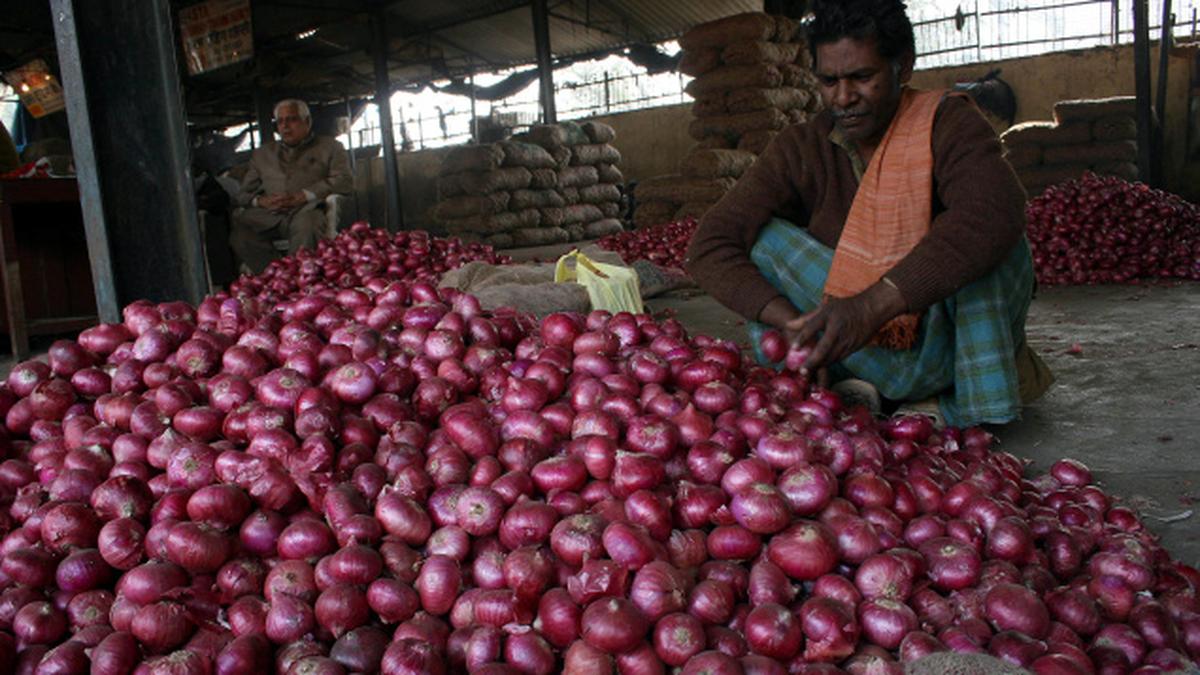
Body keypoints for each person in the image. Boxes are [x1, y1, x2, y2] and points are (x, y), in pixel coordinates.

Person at [685, 0, 1052, 427]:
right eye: (829, 81)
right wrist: (794, 324)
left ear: (903, 66)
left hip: (948, 344)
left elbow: (995, 212)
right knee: (764, 240)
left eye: (862, 77)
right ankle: (847, 390)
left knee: (995, 240)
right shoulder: (801, 148)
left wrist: (871, 306)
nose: (843, 98)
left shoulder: (948, 123)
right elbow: (709, 244)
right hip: (852, 347)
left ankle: (969, 414)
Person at [231, 99, 352, 273]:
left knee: (309, 225)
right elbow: (243, 194)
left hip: (305, 209)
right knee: (240, 235)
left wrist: (304, 196)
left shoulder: (330, 147)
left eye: (292, 119)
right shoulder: (262, 154)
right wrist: (262, 201)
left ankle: (301, 276)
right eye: (280, 121)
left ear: (307, 122)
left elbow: (344, 180)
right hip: (269, 214)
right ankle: (276, 276)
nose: (285, 126)